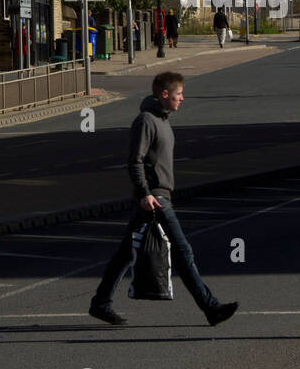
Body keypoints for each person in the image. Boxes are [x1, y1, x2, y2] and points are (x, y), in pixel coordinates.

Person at [89, 71, 238, 328]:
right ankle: (210, 307)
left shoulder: (163, 120)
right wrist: (145, 193)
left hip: (157, 196)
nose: (183, 98)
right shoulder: (146, 121)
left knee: (126, 253)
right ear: (165, 94)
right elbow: (135, 161)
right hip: (155, 198)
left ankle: (101, 303)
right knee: (182, 252)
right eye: (179, 94)